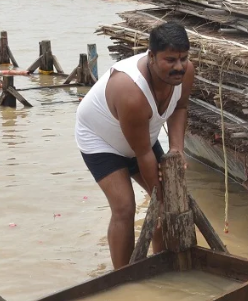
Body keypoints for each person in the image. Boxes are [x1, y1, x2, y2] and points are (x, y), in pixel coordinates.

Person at [75, 22, 195, 268]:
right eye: (170, 60)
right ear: (151, 57)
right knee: (125, 207)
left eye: (183, 58)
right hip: (101, 140)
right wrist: (158, 201)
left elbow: (180, 108)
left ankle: (164, 265)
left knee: (168, 201)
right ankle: (123, 275)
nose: (179, 67)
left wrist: (176, 149)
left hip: (142, 136)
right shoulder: (130, 90)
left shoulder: (186, 73)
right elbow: (142, 154)